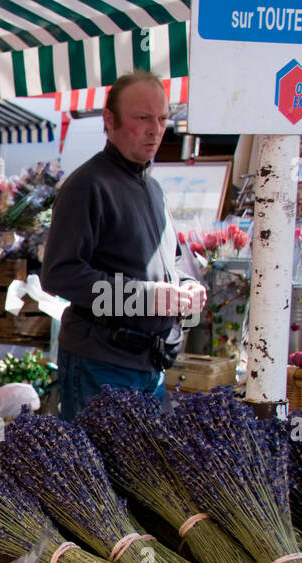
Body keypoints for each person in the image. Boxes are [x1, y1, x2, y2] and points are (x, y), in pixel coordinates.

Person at [41, 70, 206, 420]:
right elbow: (60, 275)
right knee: (99, 476)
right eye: (143, 118)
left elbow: (172, 263)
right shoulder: (87, 185)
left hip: (150, 367)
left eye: (162, 118)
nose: (156, 128)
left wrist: (187, 287)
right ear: (110, 121)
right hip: (101, 366)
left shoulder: (153, 188)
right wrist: (146, 296)